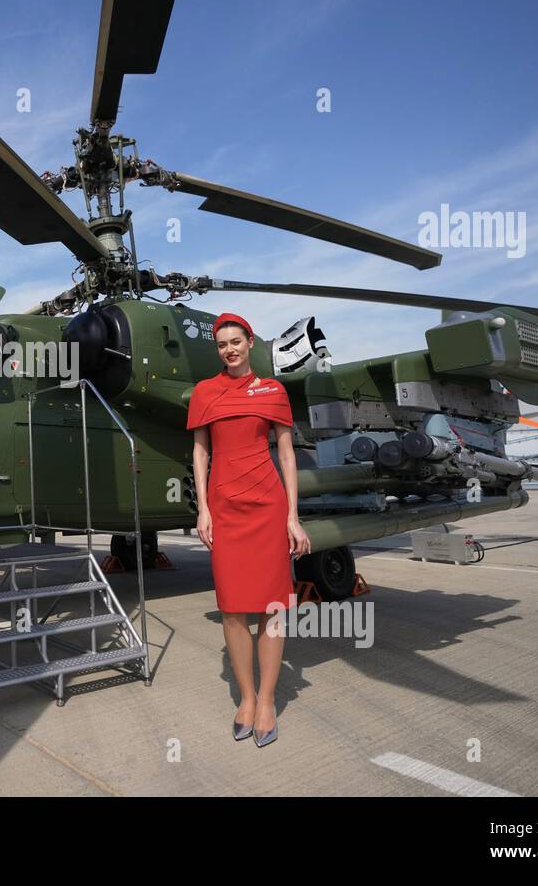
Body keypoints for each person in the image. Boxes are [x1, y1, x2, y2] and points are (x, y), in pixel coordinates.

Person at [187, 313, 311, 748]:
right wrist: (203, 510)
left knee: (272, 607)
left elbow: (287, 455)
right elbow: (201, 453)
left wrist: (292, 516)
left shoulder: (273, 390)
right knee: (234, 609)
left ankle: (267, 700)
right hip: (225, 508)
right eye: (222, 344)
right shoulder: (204, 392)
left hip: (267, 507)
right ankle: (245, 696)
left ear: (250, 342)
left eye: (236, 342)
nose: (229, 350)